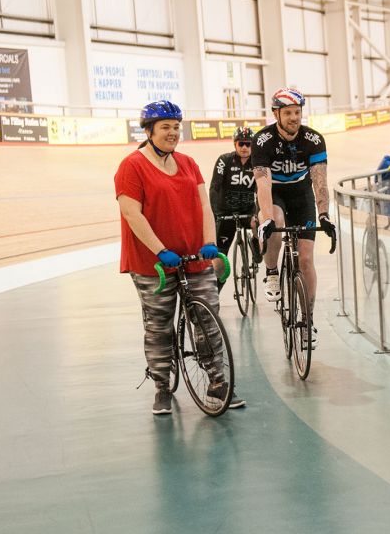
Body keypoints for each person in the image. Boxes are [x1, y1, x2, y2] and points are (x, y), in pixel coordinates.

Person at [115, 100, 242, 414]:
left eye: (176, 127)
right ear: (149, 131)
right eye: (165, 128)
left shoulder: (187, 163)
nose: (172, 133)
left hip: (194, 255)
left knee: (207, 320)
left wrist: (210, 242)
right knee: (159, 325)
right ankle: (161, 384)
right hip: (152, 263)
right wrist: (160, 250)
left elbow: (204, 206)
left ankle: (217, 382)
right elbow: (132, 214)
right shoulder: (131, 166)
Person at [252, 87, 336, 349]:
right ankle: (272, 271)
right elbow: (263, 183)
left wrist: (324, 214)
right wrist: (265, 219)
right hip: (274, 193)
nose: (293, 118)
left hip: (301, 195)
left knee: (307, 259)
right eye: (287, 112)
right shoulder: (262, 140)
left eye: (297, 112)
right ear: (276, 113)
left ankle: (308, 320)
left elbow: (319, 182)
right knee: (275, 221)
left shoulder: (313, 139)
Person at [209, 126, 262, 292]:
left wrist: (258, 214)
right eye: (241, 143)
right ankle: (215, 293)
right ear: (235, 144)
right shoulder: (224, 160)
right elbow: (214, 187)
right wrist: (215, 213)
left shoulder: (258, 162)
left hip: (248, 211)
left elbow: (262, 190)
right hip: (226, 213)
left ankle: (255, 242)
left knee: (257, 223)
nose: (245, 147)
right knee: (220, 258)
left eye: (248, 144)